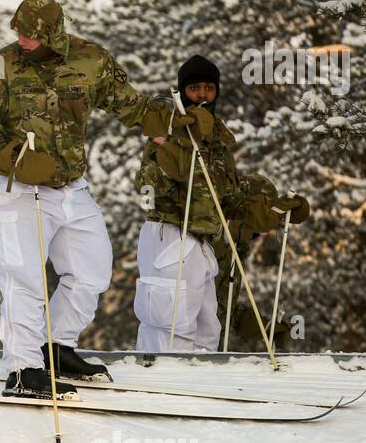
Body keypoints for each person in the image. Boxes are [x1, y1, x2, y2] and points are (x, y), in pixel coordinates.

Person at [0, 0, 200, 398]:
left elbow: (129, 105)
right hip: (18, 190)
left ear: (53, 32)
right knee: (23, 278)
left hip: (71, 190)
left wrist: (172, 121)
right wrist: (12, 159)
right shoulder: (0, 67)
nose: (22, 39)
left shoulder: (90, 60)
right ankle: (23, 368)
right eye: (19, 31)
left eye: (31, 34)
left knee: (93, 269)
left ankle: (56, 348)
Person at [132, 55, 309, 352]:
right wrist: (182, 144)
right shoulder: (166, 131)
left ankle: (201, 387)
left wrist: (276, 211)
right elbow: (148, 189)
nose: (202, 95)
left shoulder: (219, 145)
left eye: (209, 89)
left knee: (207, 328)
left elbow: (228, 199)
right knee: (171, 324)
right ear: (182, 91)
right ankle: (160, 382)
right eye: (194, 88)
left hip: (204, 241)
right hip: (171, 235)